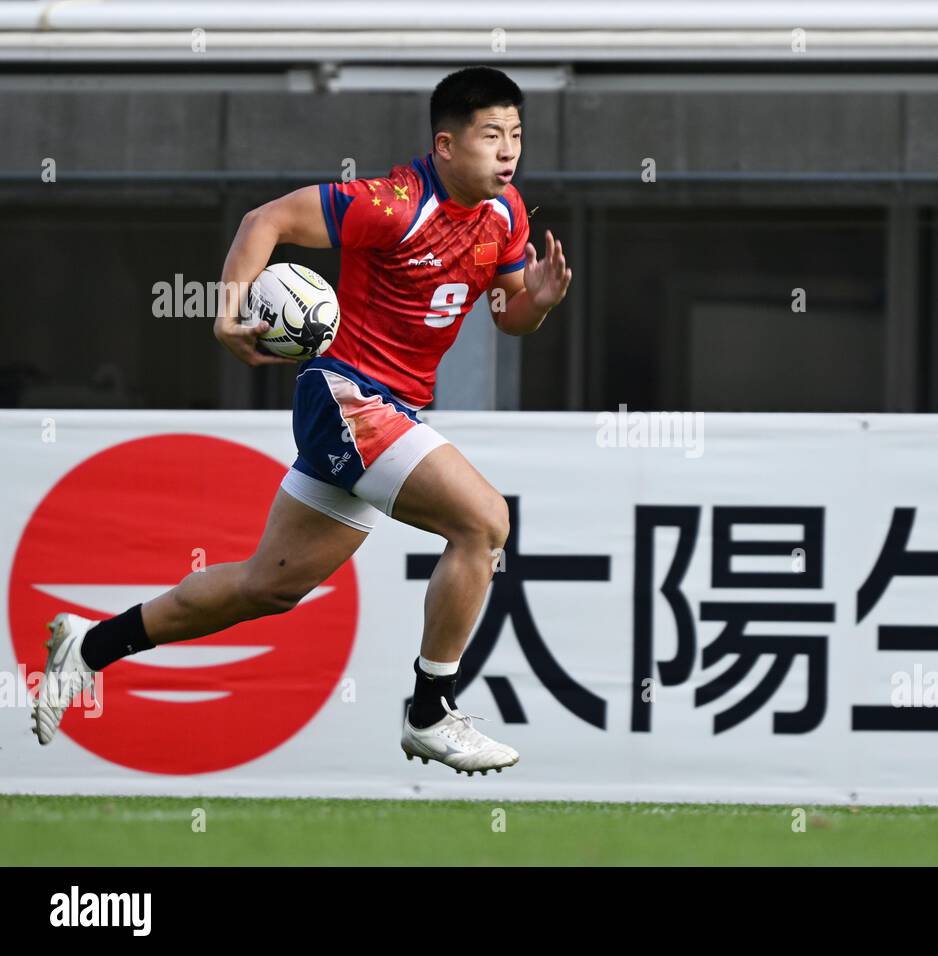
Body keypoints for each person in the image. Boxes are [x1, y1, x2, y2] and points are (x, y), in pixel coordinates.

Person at [32, 66, 570, 776]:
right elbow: (268, 220)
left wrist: (538, 299)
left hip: (387, 411)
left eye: (517, 136)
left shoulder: (505, 216)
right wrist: (227, 308)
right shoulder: (392, 203)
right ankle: (430, 711)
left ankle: (89, 645)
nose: (509, 152)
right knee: (485, 521)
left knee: (269, 586)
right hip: (347, 394)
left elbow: (509, 317)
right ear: (445, 145)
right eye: (491, 135)